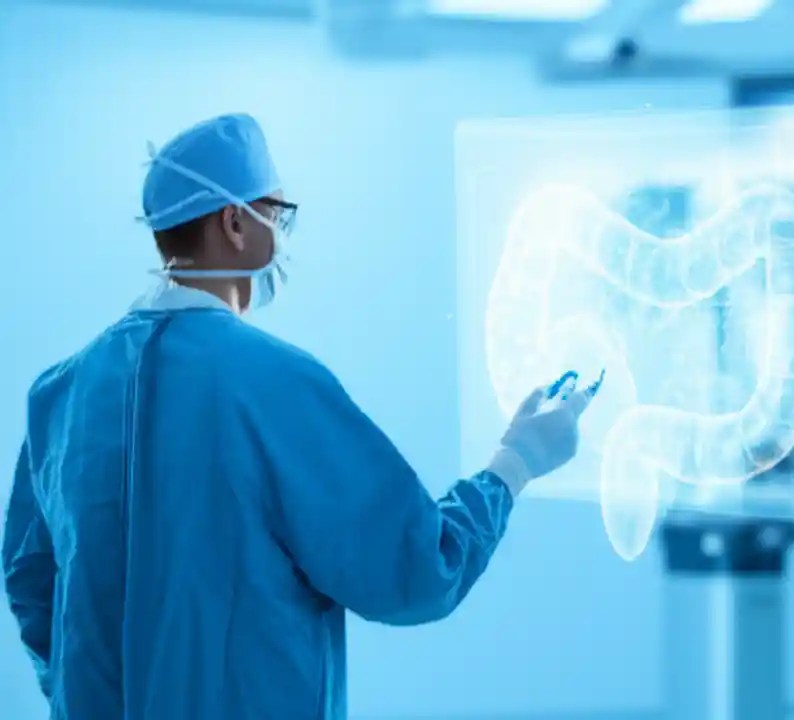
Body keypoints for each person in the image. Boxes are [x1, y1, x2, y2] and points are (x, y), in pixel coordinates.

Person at [2, 113, 595, 718]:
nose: (281, 235)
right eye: (277, 215)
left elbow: (33, 589)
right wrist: (516, 463)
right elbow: (414, 569)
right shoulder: (273, 384)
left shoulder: (63, 392)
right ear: (235, 222)